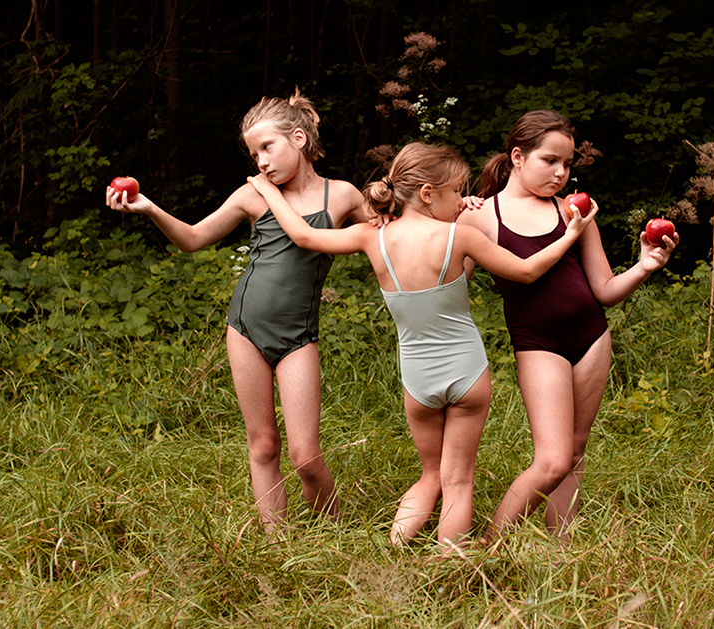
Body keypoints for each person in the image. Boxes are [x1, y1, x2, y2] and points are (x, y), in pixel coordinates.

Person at [246, 142, 595, 548]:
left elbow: (304, 236)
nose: (463, 201)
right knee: (458, 480)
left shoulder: (370, 237)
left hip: (417, 379)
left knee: (430, 476)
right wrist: (572, 233)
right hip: (467, 374)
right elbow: (527, 271)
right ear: (429, 193)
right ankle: (450, 563)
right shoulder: (459, 238)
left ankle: (395, 548)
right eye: (456, 192)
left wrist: (270, 192)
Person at [106, 89, 373, 531]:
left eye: (268, 147)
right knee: (263, 445)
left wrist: (454, 211)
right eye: (254, 154)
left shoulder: (341, 196)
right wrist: (148, 207)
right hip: (245, 329)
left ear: (301, 139)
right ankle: (276, 544)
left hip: (299, 337)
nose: (261, 162)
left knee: (305, 456)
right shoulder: (252, 196)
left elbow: (392, 234)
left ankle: (337, 534)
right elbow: (193, 239)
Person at [456, 110, 679, 540]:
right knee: (552, 460)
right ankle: (489, 546)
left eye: (568, 164)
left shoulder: (574, 212)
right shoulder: (481, 217)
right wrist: (452, 210)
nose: (561, 173)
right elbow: (447, 288)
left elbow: (605, 290)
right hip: (538, 343)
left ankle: (562, 550)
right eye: (550, 161)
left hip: (592, 336)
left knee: (575, 452)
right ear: (517, 157)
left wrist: (645, 266)